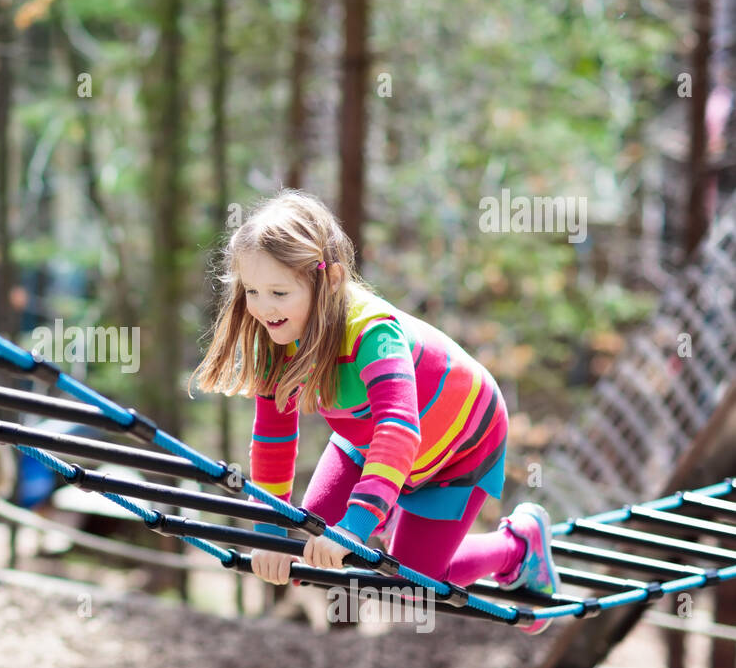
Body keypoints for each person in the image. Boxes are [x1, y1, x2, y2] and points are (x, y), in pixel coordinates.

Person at [189, 190, 561, 633]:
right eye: (252, 291)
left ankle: (517, 546)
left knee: (409, 585)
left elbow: (399, 431)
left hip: (460, 446)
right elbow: (273, 438)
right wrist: (269, 533)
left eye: (279, 291)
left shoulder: (372, 334)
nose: (263, 306)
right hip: (367, 441)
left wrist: (358, 524)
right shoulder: (276, 340)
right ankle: (390, 511)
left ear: (329, 281)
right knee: (311, 529)